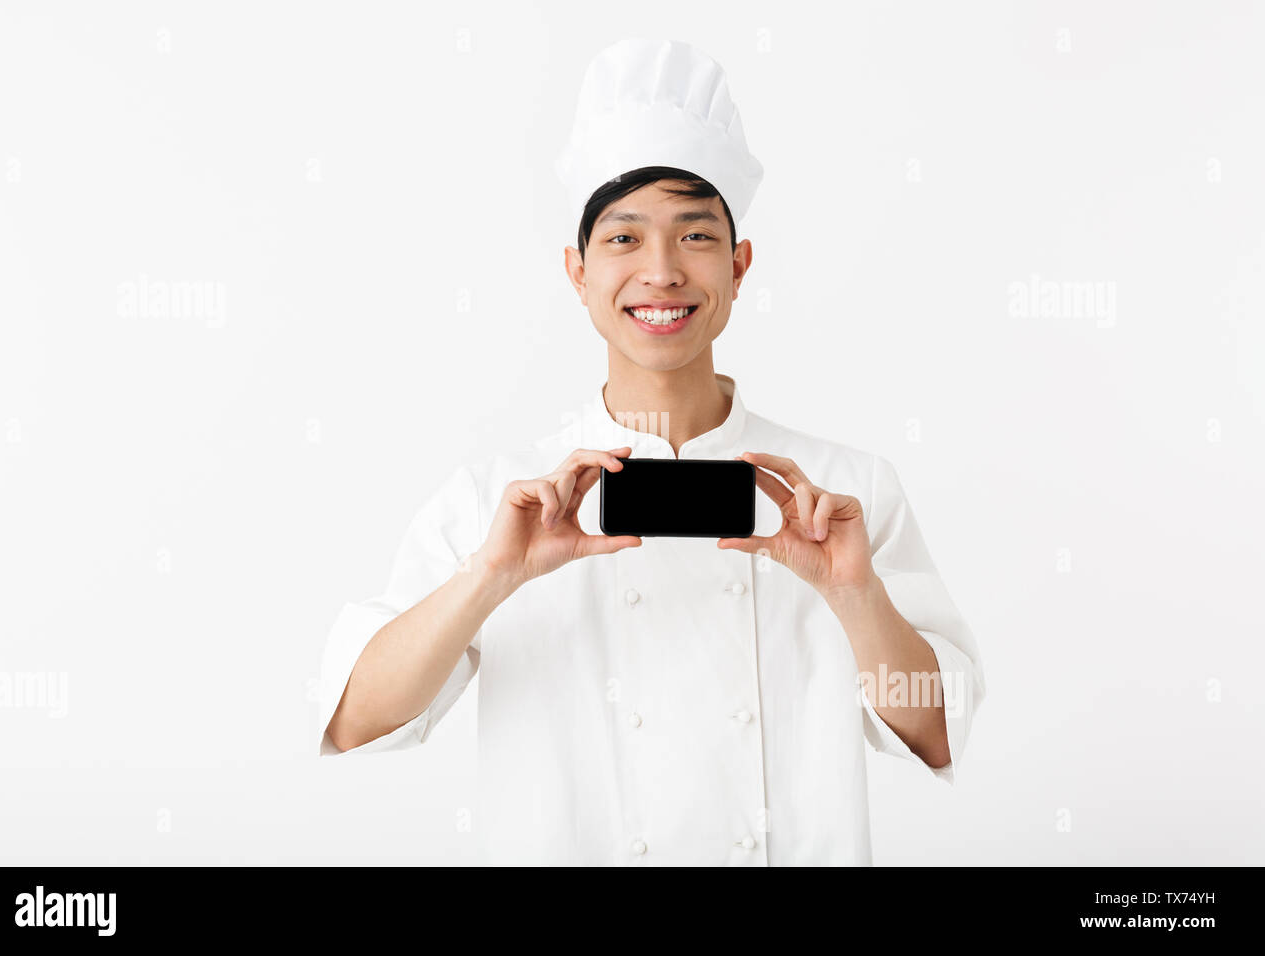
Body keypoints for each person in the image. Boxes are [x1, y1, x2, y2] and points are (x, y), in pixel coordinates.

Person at [317, 37, 985, 865]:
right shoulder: (503, 502)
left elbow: (936, 731)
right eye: (625, 239)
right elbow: (353, 722)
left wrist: (852, 593)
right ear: (577, 270)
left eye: (696, 236)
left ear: (739, 267)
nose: (662, 272)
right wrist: (491, 577)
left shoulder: (843, 493)